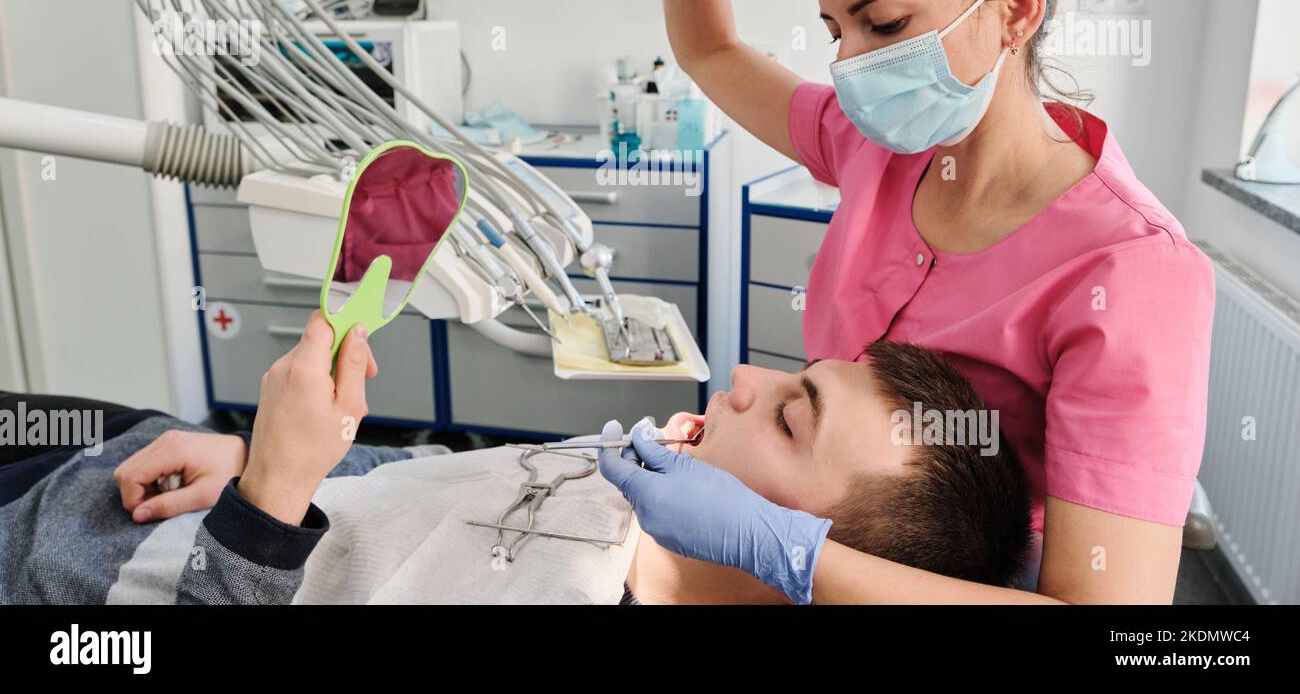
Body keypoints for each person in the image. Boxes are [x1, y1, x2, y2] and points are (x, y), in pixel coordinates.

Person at [607, 0, 1216, 604]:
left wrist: (793, 554)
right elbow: (710, 49)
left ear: (1015, 9)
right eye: (833, 30)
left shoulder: (1134, 273)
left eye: (882, 24)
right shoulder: (880, 145)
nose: (850, 65)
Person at [0, 316, 1029, 604]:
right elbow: (428, 487)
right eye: (797, 371)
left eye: (792, 419)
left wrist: (270, 499)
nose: (747, 379)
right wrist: (257, 458)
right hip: (140, 460)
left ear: (790, 550)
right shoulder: (644, 466)